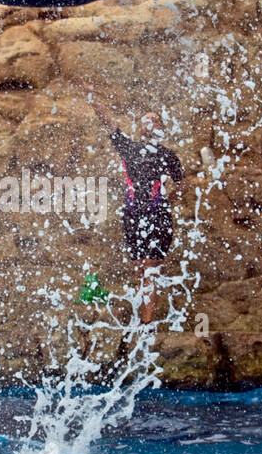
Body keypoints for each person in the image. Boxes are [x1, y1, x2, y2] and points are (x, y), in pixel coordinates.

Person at [77, 76, 184, 323]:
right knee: (138, 268)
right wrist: (92, 95)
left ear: (161, 128)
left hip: (158, 214)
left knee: (151, 267)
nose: (150, 122)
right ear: (140, 127)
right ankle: (141, 318)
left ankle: (146, 325)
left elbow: (183, 183)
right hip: (133, 215)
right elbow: (108, 122)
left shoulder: (168, 156)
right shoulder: (129, 148)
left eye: (155, 119)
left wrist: (168, 200)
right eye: (146, 119)